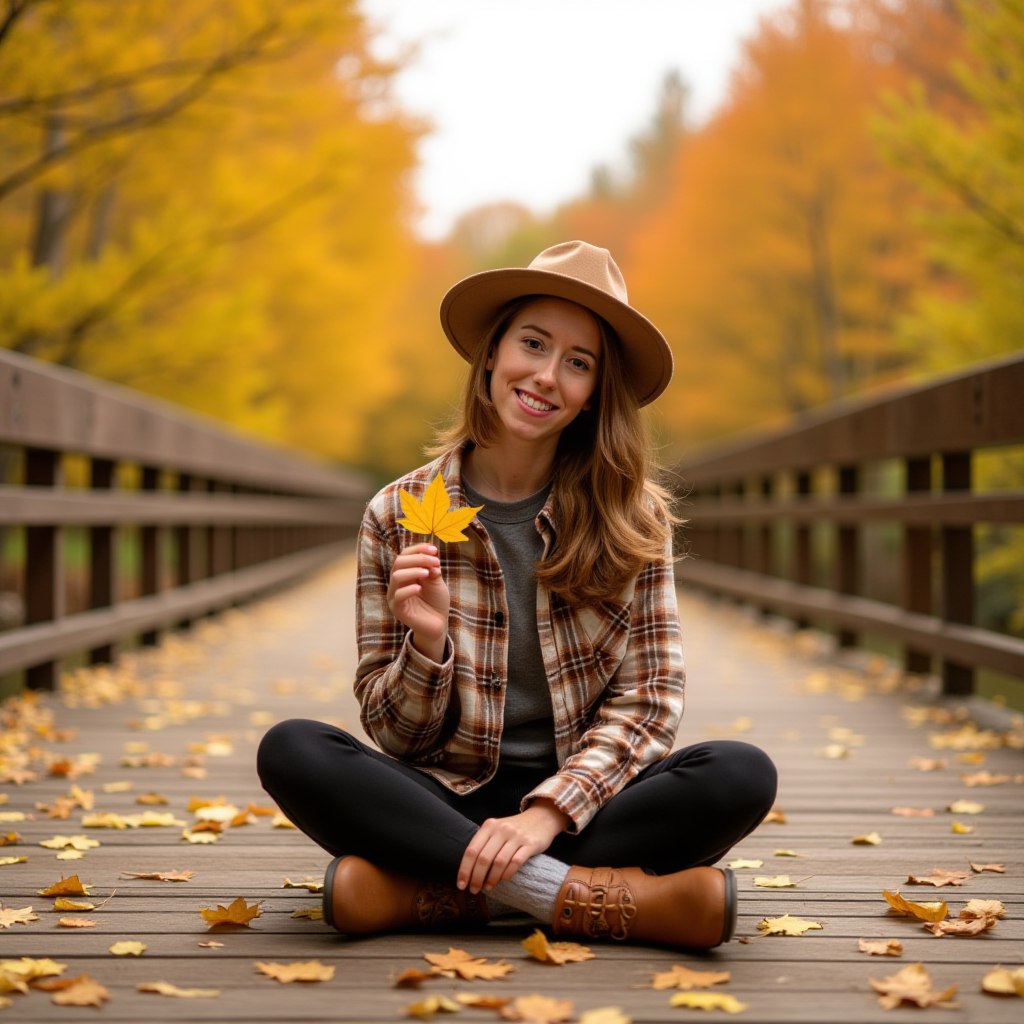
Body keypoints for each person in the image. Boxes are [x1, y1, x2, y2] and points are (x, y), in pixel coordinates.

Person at [257, 241, 777, 948]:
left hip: (589, 806)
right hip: (446, 799)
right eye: (533, 344)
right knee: (293, 749)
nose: (546, 376)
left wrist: (546, 815)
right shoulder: (399, 512)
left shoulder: (633, 516)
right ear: (493, 355)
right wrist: (428, 644)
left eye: (578, 362)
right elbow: (394, 735)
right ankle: (589, 900)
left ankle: (431, 895)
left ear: (595, 392)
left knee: (738, 774)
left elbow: (650, 700)